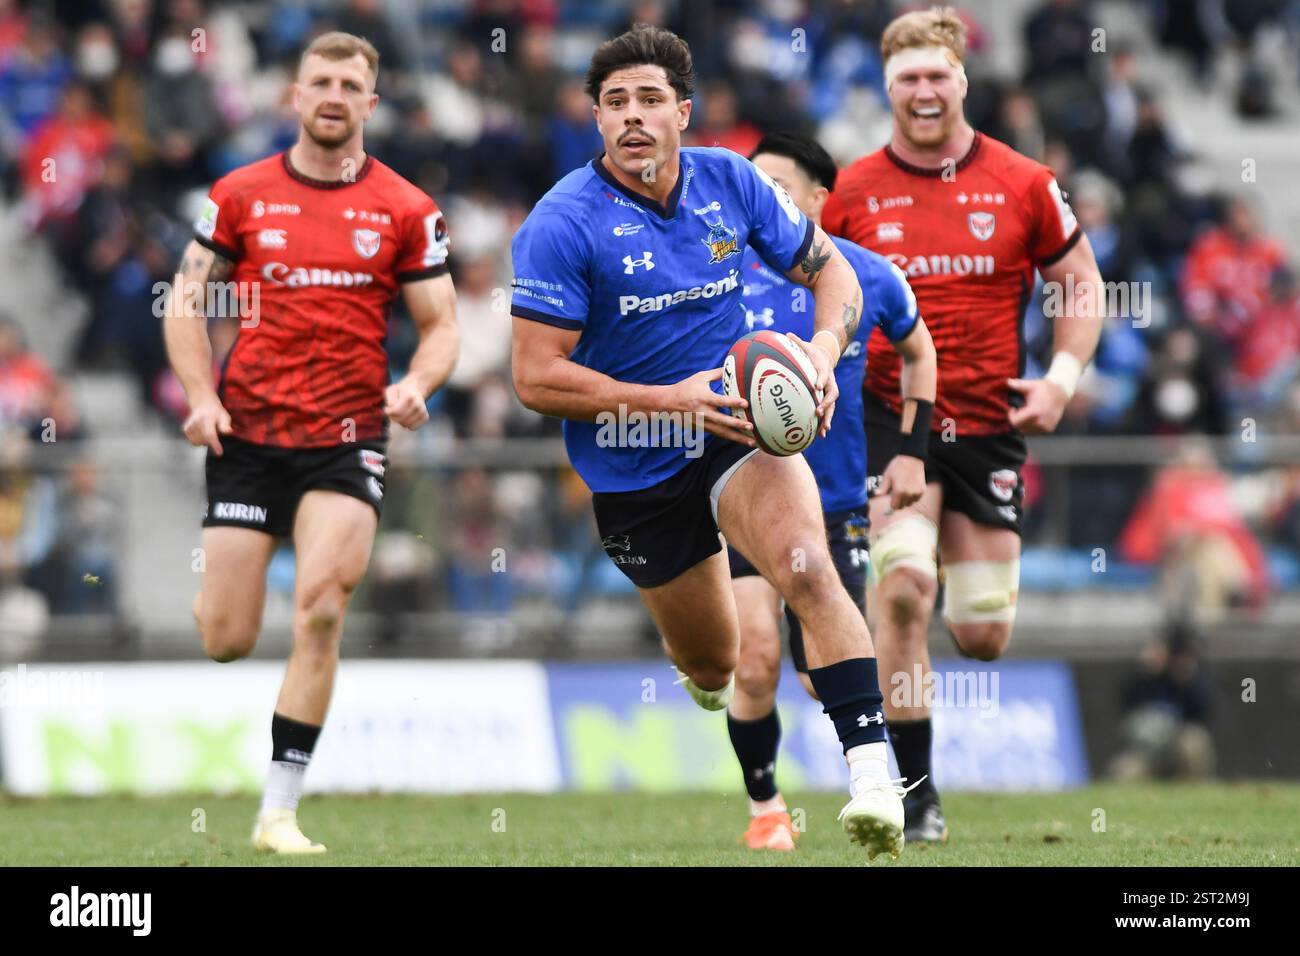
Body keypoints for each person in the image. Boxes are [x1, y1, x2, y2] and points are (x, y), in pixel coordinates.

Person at [510, 25, 920, 859]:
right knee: (712, 661)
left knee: (809, 569)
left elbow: (832, 272)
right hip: (633, 461)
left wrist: (822, 351)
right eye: (615, 102)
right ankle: (708, 678)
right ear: (595, 119)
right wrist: (670, 400)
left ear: (683, 113)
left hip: (739, 431)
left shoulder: (731, 181)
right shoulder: (561, 224)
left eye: (650, 100)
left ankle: (876, 779)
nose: (632, 116)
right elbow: (535, 378)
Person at [163, 32, 459, 854]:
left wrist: (416, 385)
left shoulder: (406, 207)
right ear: (293, 97)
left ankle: (279, 811)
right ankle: (224, 594)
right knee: (225, 638)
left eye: (350, 83)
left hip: (347, 435)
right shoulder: (240, 194)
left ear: (371, 102)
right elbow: (185, 301)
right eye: (319, 80)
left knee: (323, 608)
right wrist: (198, 398)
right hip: (248, 435)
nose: (333, 94)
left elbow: (441, 326)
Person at [822, 6, 1103, 843]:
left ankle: (929, 570)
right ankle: (915, 795)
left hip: (988, 422)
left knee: (980, 635)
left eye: (936, 75)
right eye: (906, 78)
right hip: (889, 419)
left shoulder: (1022, 181)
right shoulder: (852, 192)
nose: (923, 91)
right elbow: (818, 291)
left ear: (963, 80)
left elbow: (1080, 283)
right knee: (904, 593)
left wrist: (1060, 378)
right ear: (887, 89)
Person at [726, 132, 936, 851]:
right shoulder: (721, 275)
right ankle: (766, 810)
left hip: (837, 500)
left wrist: (912, 451)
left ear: (818, 199)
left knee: (821, 679)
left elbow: (920, 351)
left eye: (777, 187)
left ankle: (905, 786)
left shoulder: (868, 276)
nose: (759, 201)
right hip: (742, 493)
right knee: (752, 659)